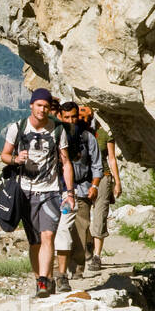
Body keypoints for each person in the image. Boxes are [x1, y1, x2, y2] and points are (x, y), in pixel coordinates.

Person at [0, 88, 76, 297]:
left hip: (51, 191)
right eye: (39, 105)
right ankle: (40, 280)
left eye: (46, 106)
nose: (43, 109)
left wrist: (69, 192)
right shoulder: (17, 128)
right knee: (34, 241)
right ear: (31, 105)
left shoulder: (58, 131)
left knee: (48, 235)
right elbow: (5, 155)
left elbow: (66, 162)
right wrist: (16, 159)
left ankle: (44, 280)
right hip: (25, 191)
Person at [54, 102, 102, 289]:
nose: (71, 120)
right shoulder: (55, 136)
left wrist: (95, 186)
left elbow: (97, 165)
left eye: (74, 117)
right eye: (67, 118)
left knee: (81, 228)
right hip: (58, 190)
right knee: (60, 230)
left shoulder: (87, 138)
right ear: (60, 117)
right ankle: (60, 270)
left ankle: (77, 267)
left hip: (81, 189)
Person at [84, 107, 121, 274]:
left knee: (100, 215)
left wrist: (117, 182)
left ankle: (97, 256)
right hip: (84, 179)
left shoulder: (105, 134)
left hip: (104, 178)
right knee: (82, 217)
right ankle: (86, 247)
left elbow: (111, 159)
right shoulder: (76, 134)